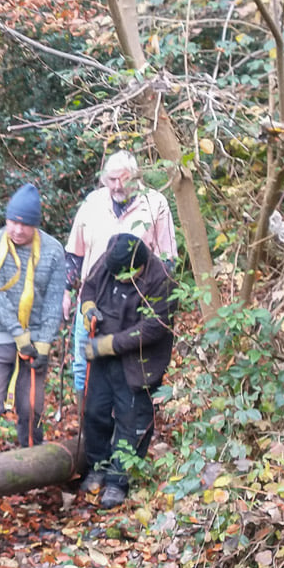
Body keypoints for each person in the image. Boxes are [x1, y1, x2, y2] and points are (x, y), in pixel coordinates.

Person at [65, 152, 178, 392]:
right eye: (111, 180)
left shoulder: (155, 204)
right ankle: (87, 425)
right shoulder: (92, 204)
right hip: (93, 300)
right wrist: (66, 290)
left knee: (129, 371)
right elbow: (75, 254)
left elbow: (168, 259)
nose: (117, 186)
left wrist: (160, 306)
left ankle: (129, 424)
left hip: (135, 305)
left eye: (123, 179)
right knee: (82, 368)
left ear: (136, 177)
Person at [78, 234, 176, 509]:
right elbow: (89, 288)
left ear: (139, 266)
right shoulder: (111, 258)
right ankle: (98, 465)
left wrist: (110, 344)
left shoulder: (161, 279)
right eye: (116, 274)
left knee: (131, 419)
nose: (119, 278)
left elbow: (152, 328)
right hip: (102, 352)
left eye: (126, 275)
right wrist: (88, 309)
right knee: (95, 411)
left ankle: (117, 482)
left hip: (138, 360)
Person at [0, 182, 66, 453]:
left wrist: (44, 344)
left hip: (37, 336)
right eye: (12, 222)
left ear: (35, 225)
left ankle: (31, 458)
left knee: (31, 407)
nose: (17, 229)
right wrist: (17, 333)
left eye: (24, 224)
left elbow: (52, 302)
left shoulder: (53, 250)